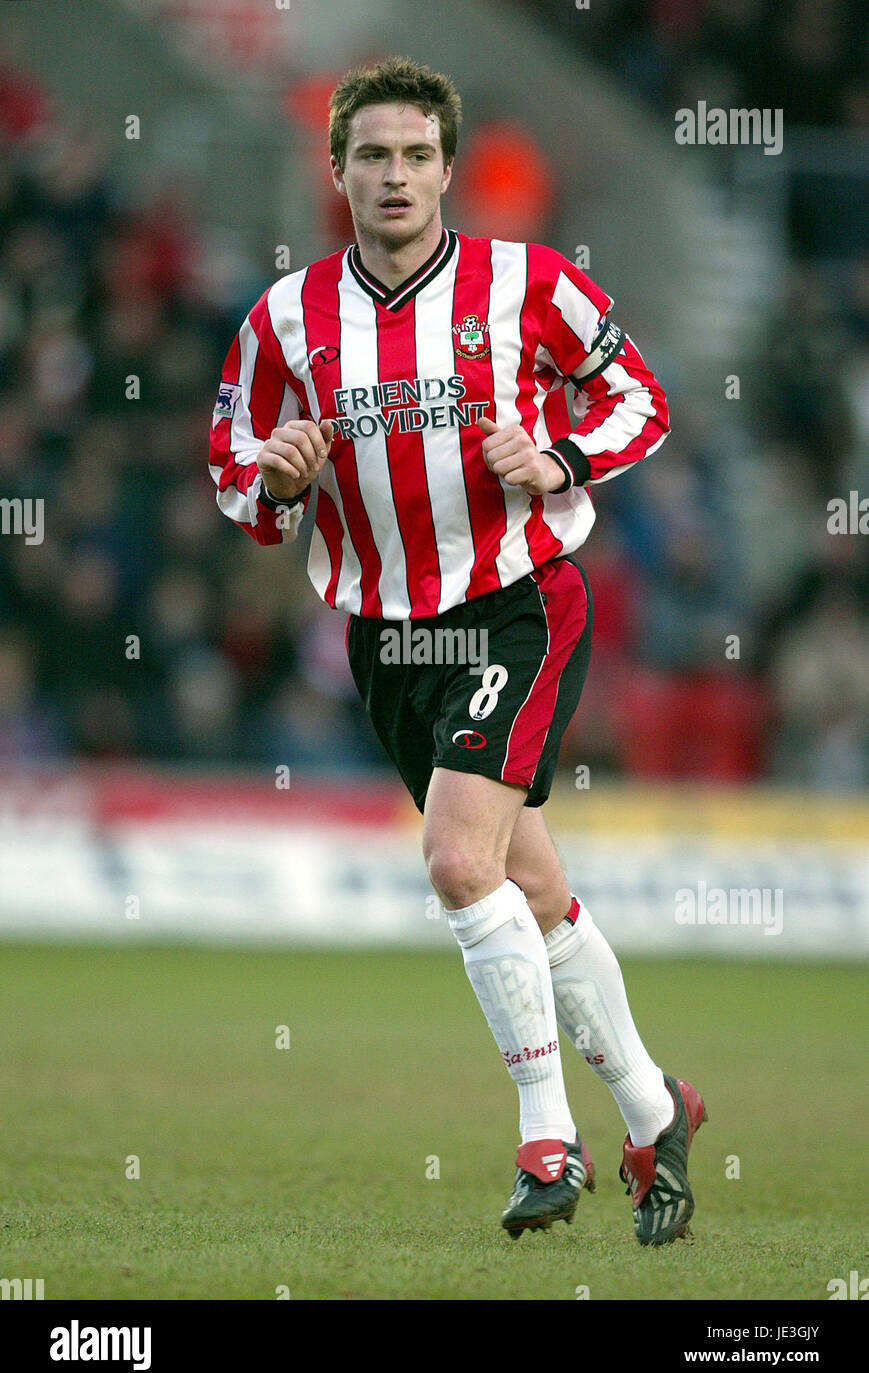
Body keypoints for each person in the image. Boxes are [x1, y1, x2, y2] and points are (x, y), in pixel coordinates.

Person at [208, 56, 706, 1244]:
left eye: (416, 155)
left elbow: (638, 397)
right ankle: (655, 1107)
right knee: (525, 885)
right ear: (336, 171)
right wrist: (272, 482)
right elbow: (232, 469)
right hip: (386, 634)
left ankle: (547, 1136)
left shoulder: (526, 283)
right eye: (371, 155)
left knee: (451, 860)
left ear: (447, 169)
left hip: (518, 601)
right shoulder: (284, 317)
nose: (394, 175)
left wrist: (560, 460)